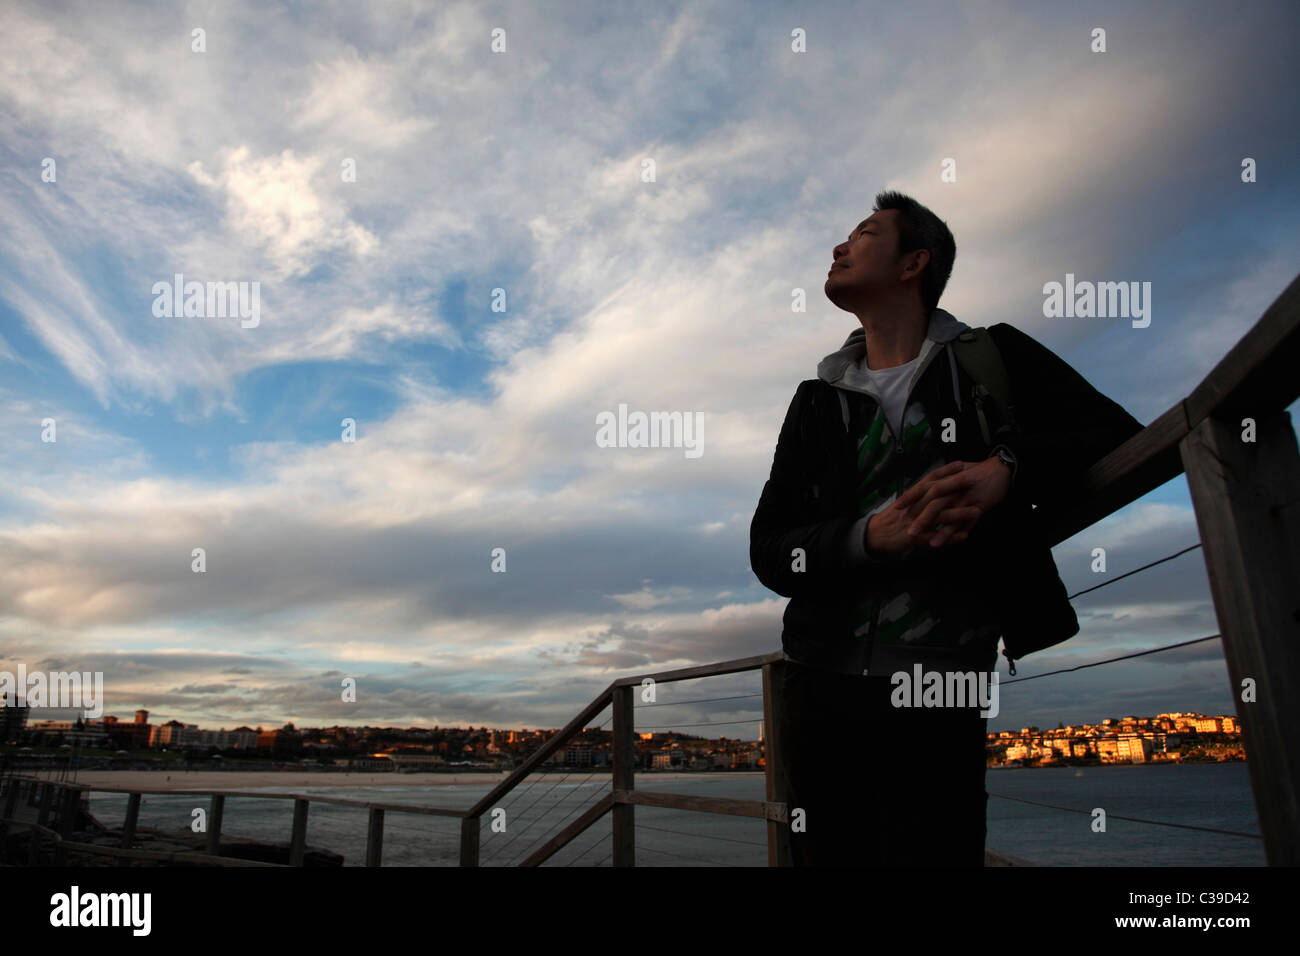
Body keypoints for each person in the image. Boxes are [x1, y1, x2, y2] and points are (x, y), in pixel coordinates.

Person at [750, 191, 1144, 866]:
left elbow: (1116, 435)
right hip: (819, 678)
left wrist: (1008, 467)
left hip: (946, 676)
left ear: (915, 263)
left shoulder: (994, 356)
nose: (840, 247)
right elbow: (771, 550)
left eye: (865, 233)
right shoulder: (816, 401)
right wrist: (871, 538)